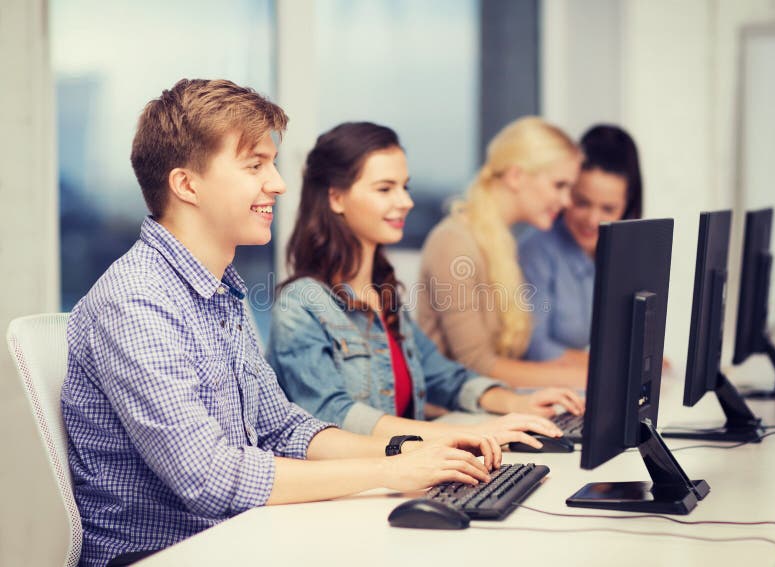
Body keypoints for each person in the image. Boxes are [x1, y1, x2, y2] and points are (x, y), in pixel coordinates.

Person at [61, 80, 512, 567]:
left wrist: (417, 447)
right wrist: (389, 469)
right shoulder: (137, 302)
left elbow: (283, 428)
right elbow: (210, 477)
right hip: (164, 553)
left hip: (235, 537)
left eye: (271, 165)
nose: (277, 183)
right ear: (186, 184)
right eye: (255, 165)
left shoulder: (219, 291)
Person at [267, 121, 583, 444]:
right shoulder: (301, 304)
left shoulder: (383, 295)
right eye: (385, 189)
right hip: (359, 487)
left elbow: (445, 377)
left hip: (408, 475)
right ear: (336, 198)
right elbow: (334, 415)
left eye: (405, 187)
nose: (405, 201)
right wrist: (462, 435)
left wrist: (519, 403)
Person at [417, 116, 587, 389]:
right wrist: (587, 379)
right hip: (449, 416)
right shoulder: (454, 243)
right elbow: (476, 364)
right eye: (559, 185)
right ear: (516, 176)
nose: (566, 201)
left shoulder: (502, 243)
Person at [517, 124, 642, 361]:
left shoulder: (621, 253)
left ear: (627, 207)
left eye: (608, 208)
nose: (593, 220)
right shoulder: (536, 251)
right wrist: (613, 364)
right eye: (582, 202)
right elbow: (533, 348)